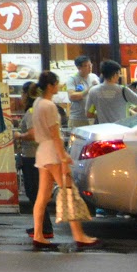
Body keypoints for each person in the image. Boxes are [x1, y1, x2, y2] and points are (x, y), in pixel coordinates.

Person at [30, 71, 97, 249]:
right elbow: (55, 135)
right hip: (53, 152)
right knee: (69, 192)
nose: (59, 87)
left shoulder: (37, 103)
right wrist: (64, 157)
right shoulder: (49, 106)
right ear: (51, 86)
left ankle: (38, 234)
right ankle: (78, 235)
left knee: (42, 197)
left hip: (42, 151)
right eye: (57, 83)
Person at [15, 81, 50, 242]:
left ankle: (45, 227)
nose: (21, 97)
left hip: (33, 157)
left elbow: (33, 134)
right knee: (36, 192)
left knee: (34, 192)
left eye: (22, 94)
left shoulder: (31, 111)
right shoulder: (37, 109)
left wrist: (19, 136)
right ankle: (41, 226)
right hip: (36, 156)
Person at [85, 61, 137, 126]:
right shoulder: (122, 90)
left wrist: (102, 114)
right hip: (121, 129)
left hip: (103, 130)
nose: (119, 76)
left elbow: (88, 114)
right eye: (119, 73)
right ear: (115, 74)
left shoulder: (93, 91)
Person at [65, 56, 100, 129]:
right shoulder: (72, 79)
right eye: (86, 66)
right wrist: (90, 88)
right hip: (78, 118)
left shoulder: (94, 77)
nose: (90, 67)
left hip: (93, 117)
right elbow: (72, 96)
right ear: (79, 67)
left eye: (90, 65)